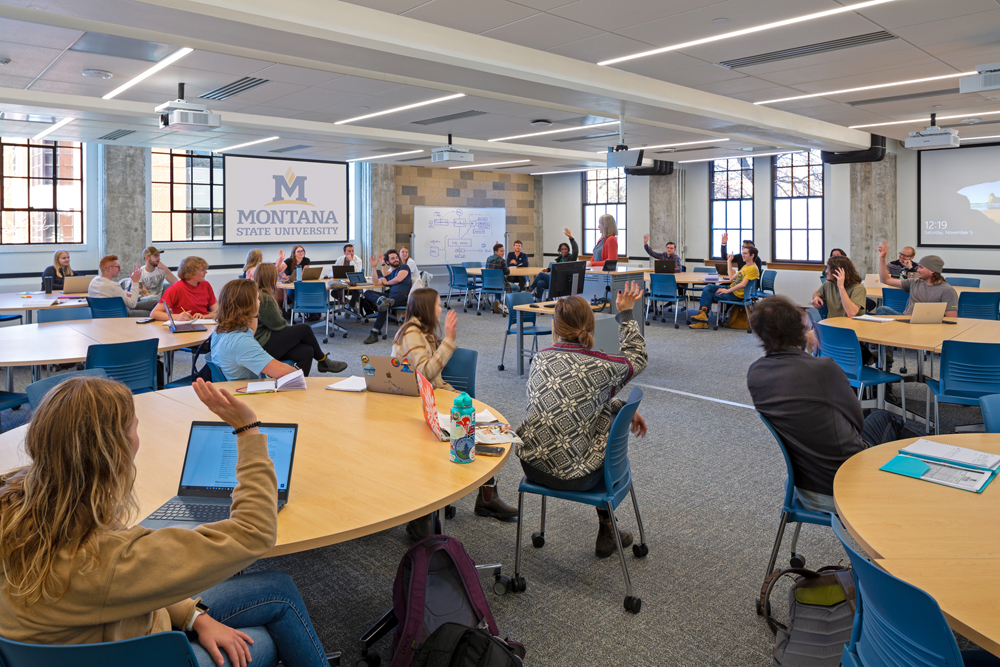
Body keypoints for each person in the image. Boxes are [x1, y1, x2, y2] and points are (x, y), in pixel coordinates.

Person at [0, 375, 335, 667]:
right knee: (262, 638)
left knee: (275, 590)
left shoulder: (26, 500)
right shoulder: (104, 557)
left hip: (90, 639)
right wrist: (247, 431)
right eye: (134, 427)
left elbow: (128, 582)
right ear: (116, 448)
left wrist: (195, 616)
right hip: (132, 656)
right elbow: (253, 532)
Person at [747, 296, 921, 512]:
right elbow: (857, 422)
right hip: (845, 484)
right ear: (800, 329)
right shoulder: (823, 369)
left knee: (877, 419)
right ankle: (933, 470)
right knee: (884, 418)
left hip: (805, 489)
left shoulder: (755, 373)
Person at [516, 282, 648, 558]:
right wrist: (625, 313)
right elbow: (638, 357)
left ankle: (608, 528)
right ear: (591, 326)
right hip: (578, 477)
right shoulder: (603, 365)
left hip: (532, 467)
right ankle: (607, 527)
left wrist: (617, 405)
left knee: (602, 413)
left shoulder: (539, 359)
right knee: (608, 421)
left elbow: (577, 399)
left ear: (556, 327)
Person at [391, 288, 518, 533]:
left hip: (434, 398)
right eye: (438, 306)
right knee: (466, 428)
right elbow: (424, 375)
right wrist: (448, 339)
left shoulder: (422, 331)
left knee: (482, 424)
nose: (440, 310)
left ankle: (487, 497)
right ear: (427, 308)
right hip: (416, 405)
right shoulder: (411, 334)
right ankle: (423, 513)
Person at [253, 265, 347, 375]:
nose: (277, 278)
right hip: (263, 343)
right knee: (304, 329)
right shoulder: (264, 298)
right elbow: (278, 325)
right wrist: (294, 335)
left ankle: (298, 384)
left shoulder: (260, 294)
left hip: (267, 340)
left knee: (307, 351)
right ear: (269, 278)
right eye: (276, 276)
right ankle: (323, 361)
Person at [210, 279, 305, 381]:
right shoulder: (241, 342)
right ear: (248, 306)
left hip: (234, 387)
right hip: (247, 392)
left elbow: (252, 331)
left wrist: (253, 313)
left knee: (305, 350)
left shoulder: (219, 331)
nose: (259, 302)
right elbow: (284, 372)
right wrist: (297, 371)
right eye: (257, 299)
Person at [875, 242, 957, 317]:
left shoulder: (948, 290)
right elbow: (885, 280)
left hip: (927, 325)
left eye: (921, 267)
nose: (918, 270)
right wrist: (882, 257)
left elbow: (951, 319)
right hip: (906, 320)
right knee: (881, 310)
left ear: (932, 270)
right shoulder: (915, 282)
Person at [689, 246, 760, 329]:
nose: (742, 255)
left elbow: (742, 285)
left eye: (745, 253)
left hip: (737, 295)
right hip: (732, 290)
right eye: (742, 253)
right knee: (709, 287)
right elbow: (731, 277)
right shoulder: (746, 266)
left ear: (752, 255)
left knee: (708, 294)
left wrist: (727, 291)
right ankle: (703, 315)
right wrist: (729, 261)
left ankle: (702, 321)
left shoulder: (753, 269)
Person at [362, 250, 411, 345]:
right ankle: (381, 300)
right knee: (367, 292)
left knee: (385, 303)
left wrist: (386, 282)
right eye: (393, 258)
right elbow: (376, 282)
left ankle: (374, 332)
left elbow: (399, 279)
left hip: (402, 296)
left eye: (396, 257)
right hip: (391, 296)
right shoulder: (389, 274)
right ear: (387, 262)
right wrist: (373, 268)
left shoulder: (404, 267)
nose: (396, 259)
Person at [152, 256, 218, 322]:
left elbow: (217, 311)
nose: (206, 272)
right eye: (202, 270)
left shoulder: (206, 285)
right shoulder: (175, 289)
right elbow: (154, 313)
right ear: (191, 273)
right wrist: (177, 317)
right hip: (185, 326)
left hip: (206, 325)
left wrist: (204, 316)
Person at [88, 255, 154, 316]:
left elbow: (109, 293)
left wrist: (125, 293)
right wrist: (135, 281)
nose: (120, 269)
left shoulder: (93, 281)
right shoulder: (113, 286)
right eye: (118, 267)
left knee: (154, 303)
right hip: (121, 314)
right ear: (108, 268)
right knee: (153, 311)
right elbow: (132, 304)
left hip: (102, 315)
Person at [527, 228, 577, 300]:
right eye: (562, 249)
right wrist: (548, 269)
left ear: (568, 250)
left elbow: (575, 251)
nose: (564, 251)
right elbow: (557, 268)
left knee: (541, 274)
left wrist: (571, 238)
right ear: (560, 250)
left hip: (561, 281)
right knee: (540, 283)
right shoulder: (560, 258)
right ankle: (539, 301)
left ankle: (530, 289)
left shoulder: (570, 258)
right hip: (555, 280)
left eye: (565, 249)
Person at [333, 243, 365, 313]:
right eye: (349, 251)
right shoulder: (340, 259)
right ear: (345, 252)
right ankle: (349, 303)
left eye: (352, 251)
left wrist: (351, 261)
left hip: (354, 284)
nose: (351, 253)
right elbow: (332, 271)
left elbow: (357, 272)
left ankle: (350, 306)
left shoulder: (358, 260)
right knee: (333, 293)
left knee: (357, 292)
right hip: (343, 284)